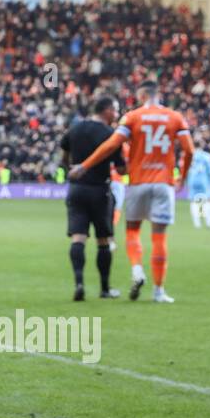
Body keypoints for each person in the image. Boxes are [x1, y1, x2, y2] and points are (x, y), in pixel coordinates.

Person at [71, 80, 193, 303]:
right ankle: (158, 292)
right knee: (159, 236)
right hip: (164, 183)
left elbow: (111, 145)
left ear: (144, 94)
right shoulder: (175, 117)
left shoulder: (133, 117)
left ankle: (137, 270)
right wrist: (182, 178)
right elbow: (189, 150)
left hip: (137, 183)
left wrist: (84, 166)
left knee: (132, 232)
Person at [58, 97, 120, 301]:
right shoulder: (110, 134)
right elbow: (120, 167)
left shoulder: (75, 128)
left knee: (78, 237)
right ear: (108, 110)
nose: (117, 116)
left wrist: (71, 168)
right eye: (116, 111)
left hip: (76, 189)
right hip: (99, 190)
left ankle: (79, 283)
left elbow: (63, 154)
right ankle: (104, 289)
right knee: (103, 240)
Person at [186, 145, 210, 230]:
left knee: (194, 201)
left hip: (192, 180)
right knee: (207, 201)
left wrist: (186, 182)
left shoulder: (189, 155)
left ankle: (197, 224)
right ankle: (209, 223)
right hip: (203, 181)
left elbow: (185, 168)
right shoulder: (207, 156)